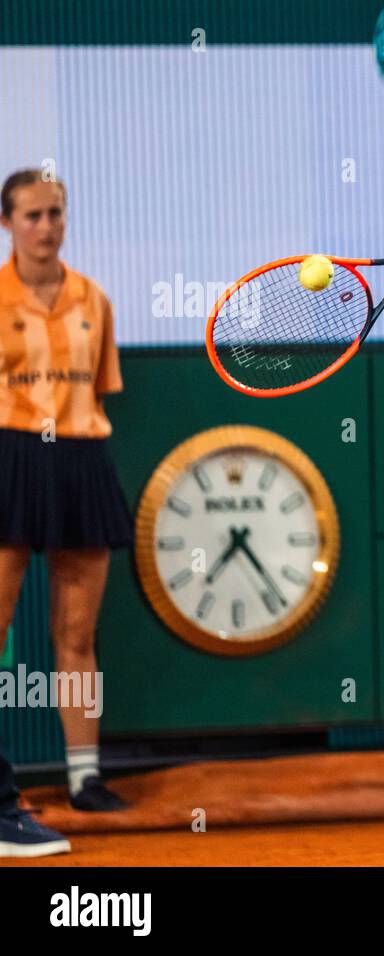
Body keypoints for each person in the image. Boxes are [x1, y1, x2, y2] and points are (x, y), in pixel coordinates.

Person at [0, 170, 132, 856]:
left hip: (82, 459)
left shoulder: (94, 299)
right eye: (32, 215)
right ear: (8, 223)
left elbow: (102, 391)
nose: (47, 226)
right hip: (10, 458)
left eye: (56, 213)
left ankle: (86, 778)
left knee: (77, 634)